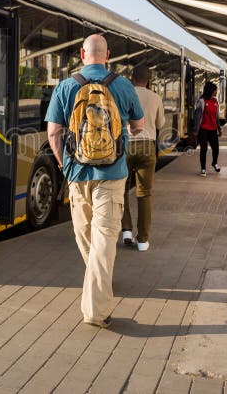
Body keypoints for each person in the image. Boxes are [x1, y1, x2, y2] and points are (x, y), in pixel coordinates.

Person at [46, 34, 144, 329]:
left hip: (77, 175)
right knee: (104, 238)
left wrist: (65, 165)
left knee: (86, 235)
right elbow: (138, 127)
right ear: (108, 55)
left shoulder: (65, 86)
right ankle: (97, 305)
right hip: (112, 176)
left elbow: (53, 133)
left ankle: (96, 299)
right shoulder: (124, 85)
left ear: (81, 54)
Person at [121, 65, 165, 252]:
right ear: (149, 80)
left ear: (132, 77)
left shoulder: (124, 93)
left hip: (126, 144)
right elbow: (160, 123)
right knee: (144, 194)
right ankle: (143, 241)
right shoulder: (155, 97)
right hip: (147, 146)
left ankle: (126, 231)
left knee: (121, 189)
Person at [192, 81, 221, 177]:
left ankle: (214, 163)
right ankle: (203, 169)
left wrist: (219, 129)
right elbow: (197, 116)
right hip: (203, 129)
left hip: (213, 129)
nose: (216, 92)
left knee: (216, 148)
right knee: (203, 149)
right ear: (211, 90)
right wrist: (196, 131)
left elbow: (217, 117)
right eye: (215, 90)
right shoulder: (202, 101)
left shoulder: (215, 101)